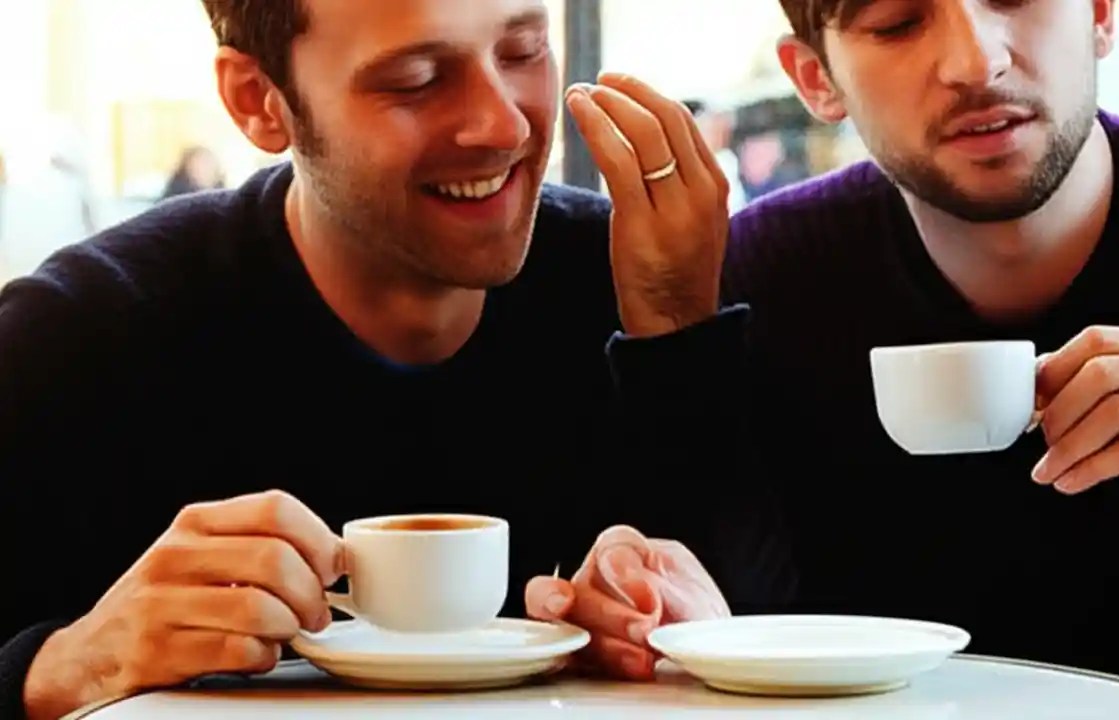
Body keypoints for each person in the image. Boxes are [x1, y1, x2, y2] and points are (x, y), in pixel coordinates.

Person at [0, 1, 788, 718]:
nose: (501, 125)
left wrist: (676, 342)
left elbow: (782, 641)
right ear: (258, 100)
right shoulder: (84, 333)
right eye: (415, 81)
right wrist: (73, 662)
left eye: (522, 50)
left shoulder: (640, 281)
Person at [536, 1, 1119, 717]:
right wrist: (638, 605)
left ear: (1101, 12)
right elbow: (725, 620)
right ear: (816, 79)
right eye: (897, 23)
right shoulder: (760, 283)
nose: (976, 62)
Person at [160, 145, 228, 200]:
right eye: (198, 166)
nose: (203, 170)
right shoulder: (173, 198)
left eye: (207, 164)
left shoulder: (225, 198)